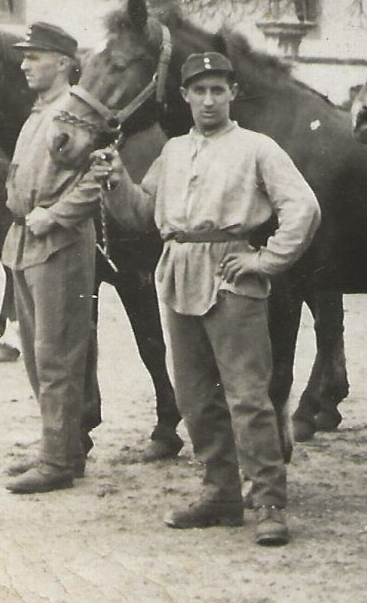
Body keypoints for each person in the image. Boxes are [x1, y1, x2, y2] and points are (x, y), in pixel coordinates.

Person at [93, 51, 321, 547]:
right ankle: (220, 494)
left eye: (219, 89)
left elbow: (302, 207)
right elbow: (141, 212)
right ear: (186, 96)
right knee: (195, 397)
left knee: (247, 396)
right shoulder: (173, 151)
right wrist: (114, 182)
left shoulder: (257, 147)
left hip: (232, 276)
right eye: (200, 90)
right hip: (179, 273)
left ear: (233, 94)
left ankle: (268, 503)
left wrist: (267, 260)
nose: (210, 99)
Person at [2, 21, 102, 495]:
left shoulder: (75, 111)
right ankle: (60, 447)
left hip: (58, 241)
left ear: (63, 62)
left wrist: (57, 215)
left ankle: (58, 461)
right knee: (38, 354)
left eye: (34, 57)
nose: (24, 64)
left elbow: (98, 177)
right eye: (24, 56)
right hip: (26, 240)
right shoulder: (41, 111)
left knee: (56, 352)